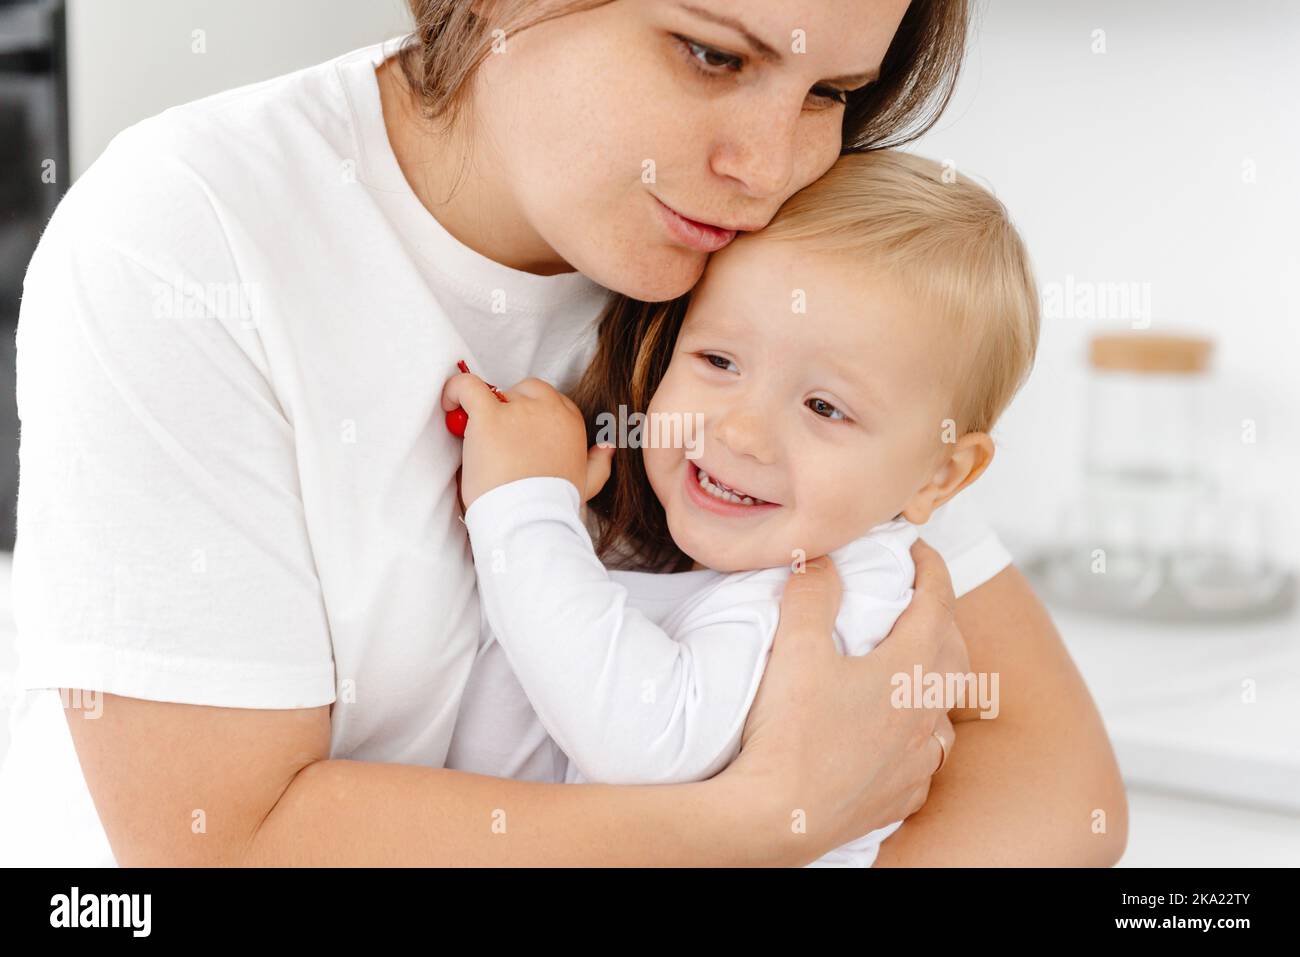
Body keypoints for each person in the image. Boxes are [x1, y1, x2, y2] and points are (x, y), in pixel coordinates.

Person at [0, 0, 1126, 866]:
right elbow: (226, 844)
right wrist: (751, 819)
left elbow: (1051, 776)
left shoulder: (750, 252)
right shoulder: (189, 237)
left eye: (828, 90)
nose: (766, 166)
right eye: (712, 55)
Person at [443, 149, 1040, 869]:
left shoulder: (840, 604)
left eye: (825, 407)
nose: (739, 432)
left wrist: (523, 504)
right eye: (719, 361)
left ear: (939, 476)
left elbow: (641, 740)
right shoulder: (771, 557)